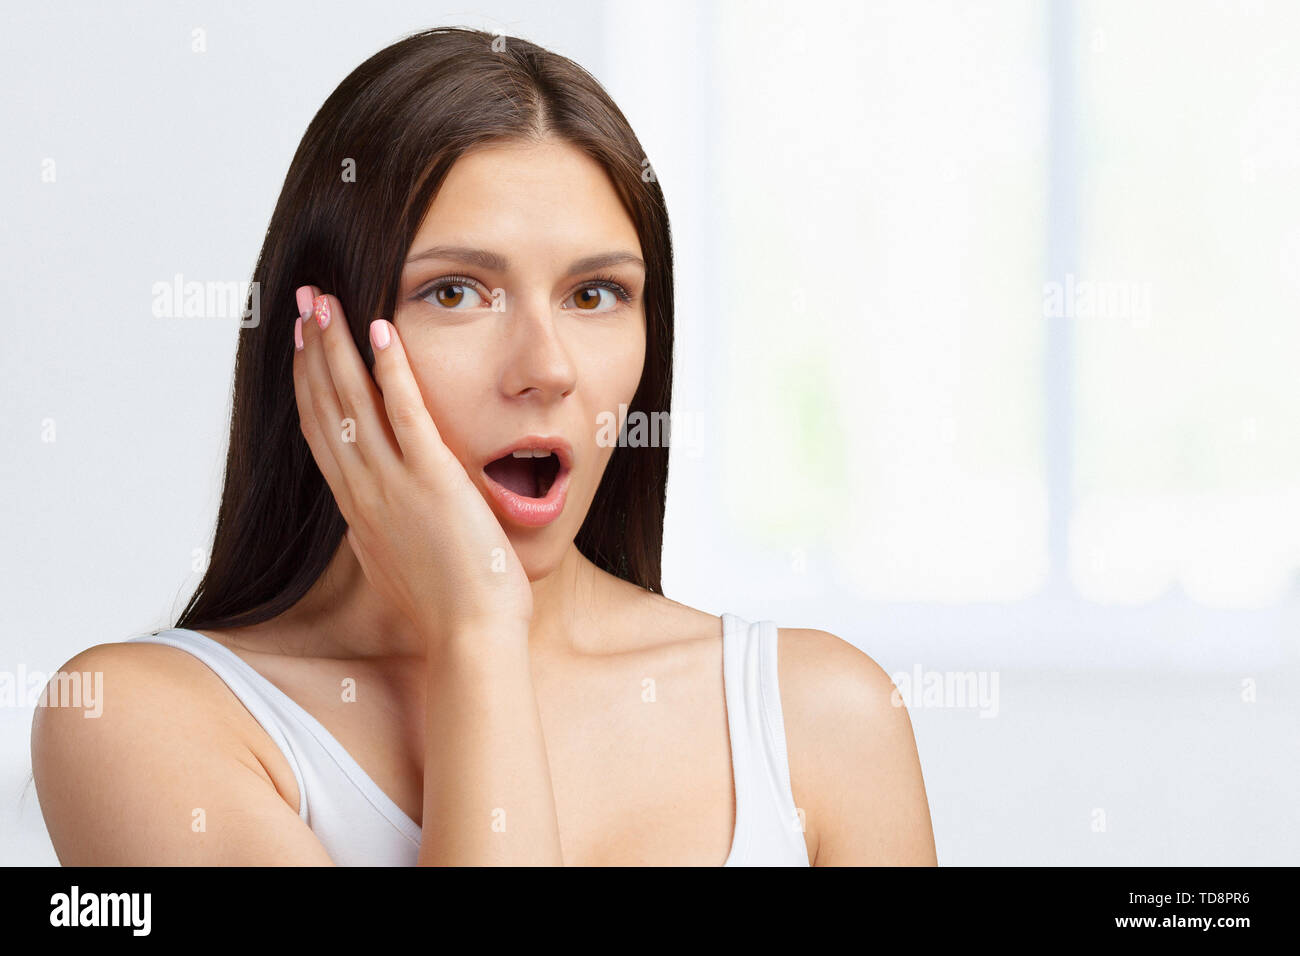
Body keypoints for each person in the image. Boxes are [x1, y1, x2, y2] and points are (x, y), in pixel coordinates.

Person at [31, 26, 936, 866]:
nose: (545, 369)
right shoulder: (140, 720)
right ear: (324, 338)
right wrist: (477, 633)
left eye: (595, 295)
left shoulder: (821, 716)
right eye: (457, 292)